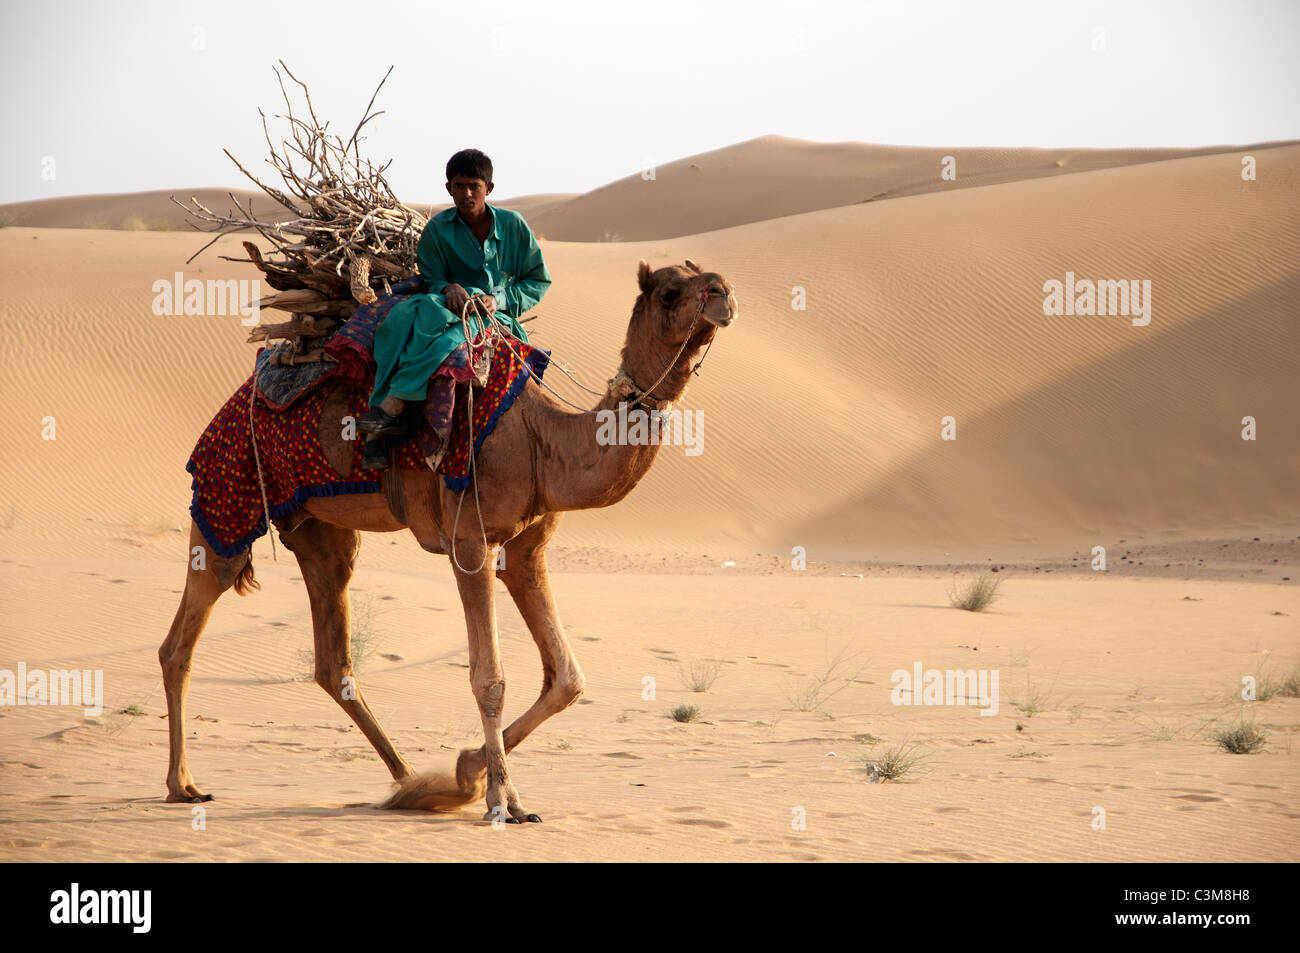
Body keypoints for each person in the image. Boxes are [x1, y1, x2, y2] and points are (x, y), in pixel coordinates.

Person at [358, 148, 551, 468]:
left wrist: (497, 299)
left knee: (449, 342)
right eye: (459, 186)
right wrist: (449, 287)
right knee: (397, 323)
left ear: (489, 188)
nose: (467, 193)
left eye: (474, 185)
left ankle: (390, 406)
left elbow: (538, 281)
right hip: (443, 307)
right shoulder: (437, 230)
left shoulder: (514, 226)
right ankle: (380, 418)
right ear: (449, 188)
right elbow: (431, 278)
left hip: (494, 317)